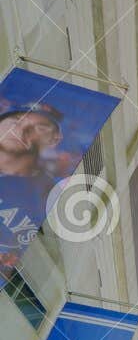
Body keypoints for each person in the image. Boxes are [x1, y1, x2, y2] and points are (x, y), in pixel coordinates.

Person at [0, 104, 63, 272]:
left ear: (54, 139)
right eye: (15, 120)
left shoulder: (48, 195)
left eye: (40, 127)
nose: (21, 128)